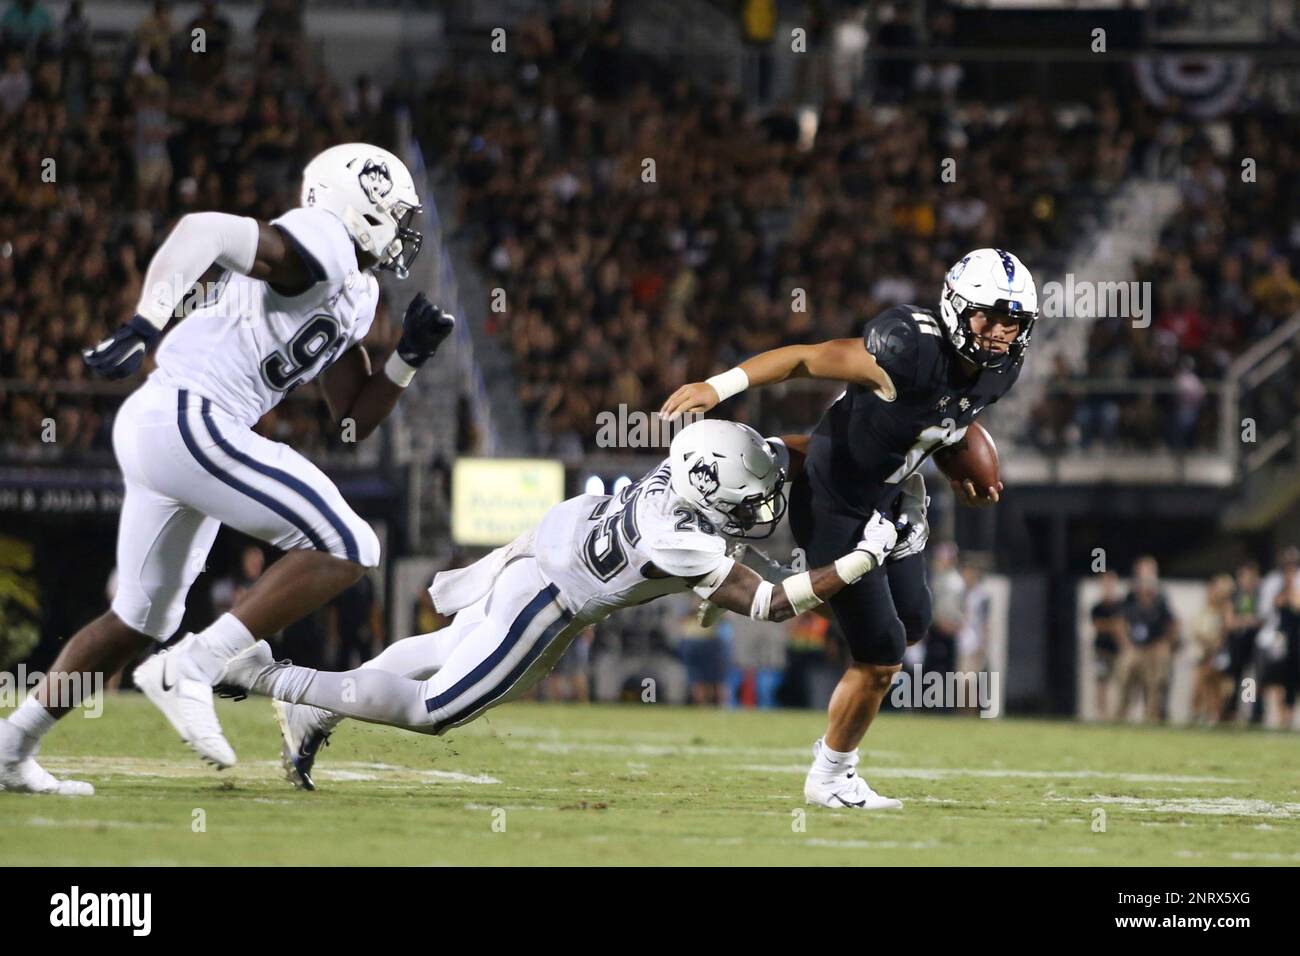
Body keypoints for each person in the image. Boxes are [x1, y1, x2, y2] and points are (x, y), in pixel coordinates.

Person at [0, 144, 453, 794]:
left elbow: (351, 415)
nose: (405, 232)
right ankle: (193, 664)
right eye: (396, 214)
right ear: (360, 204)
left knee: (138, 620)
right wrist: (145, 321)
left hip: (177, 430)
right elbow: (204, 230)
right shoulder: (321, 239)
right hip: (190, 415)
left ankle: (11, 746)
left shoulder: (356, 291)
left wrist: (407, 357)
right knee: (350, 543)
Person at [221, 420, 907, 796]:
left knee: (444, 649)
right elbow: (769, 602)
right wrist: (862, 557)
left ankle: (312, 705)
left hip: (556, 539)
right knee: (434, 709)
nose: (757, 508)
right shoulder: (681, 537)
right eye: (743, 500)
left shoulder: (687, 462)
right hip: (553, 598)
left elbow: (753, 458)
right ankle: (270, 677)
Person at [661, 248, 1038, 808]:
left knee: (913, 622)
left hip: (891, 498)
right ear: (957, 307)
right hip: (835, 502)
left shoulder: (1002, 367)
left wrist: (958, 464)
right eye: (987, 315)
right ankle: (832, 775)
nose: (1000, 332)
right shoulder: (906, 349)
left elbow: (944, 419)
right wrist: (719, 387)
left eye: (1013, 320)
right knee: (882, 652)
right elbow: (807, 359)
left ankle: (770, 565)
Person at [1113, 556, 1178, 723]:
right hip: (1134, 647)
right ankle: (1120, 717)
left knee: (1156, 682)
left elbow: (1172, 624)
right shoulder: (1130, 597)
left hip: (1154, 646)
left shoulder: (1161, 599)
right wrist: (1126, 644)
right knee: (1124, 675)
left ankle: (1153, 718)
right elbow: (1120, 622)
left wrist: (1166, 644)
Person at [1190, 574, 1233, 725]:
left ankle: (1226, 715)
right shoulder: (1205, 610)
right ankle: (1203, 715)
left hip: (1230, 657)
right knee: (1203, 683)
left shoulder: (1228, 609)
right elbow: (1196, 632)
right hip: (1207, 655)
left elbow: (1227, 631)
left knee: (1243, 686)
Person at [1090, 570, 1127, 719]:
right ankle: (1102, 715)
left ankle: (1119, 715)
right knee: (1102, 683)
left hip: (1118, 651)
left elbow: (1123, 626)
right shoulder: (1097, 607)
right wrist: (1115, 626)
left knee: (1122, 684)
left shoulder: (1121, 605)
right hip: (1102, 650)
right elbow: (1099, 625)